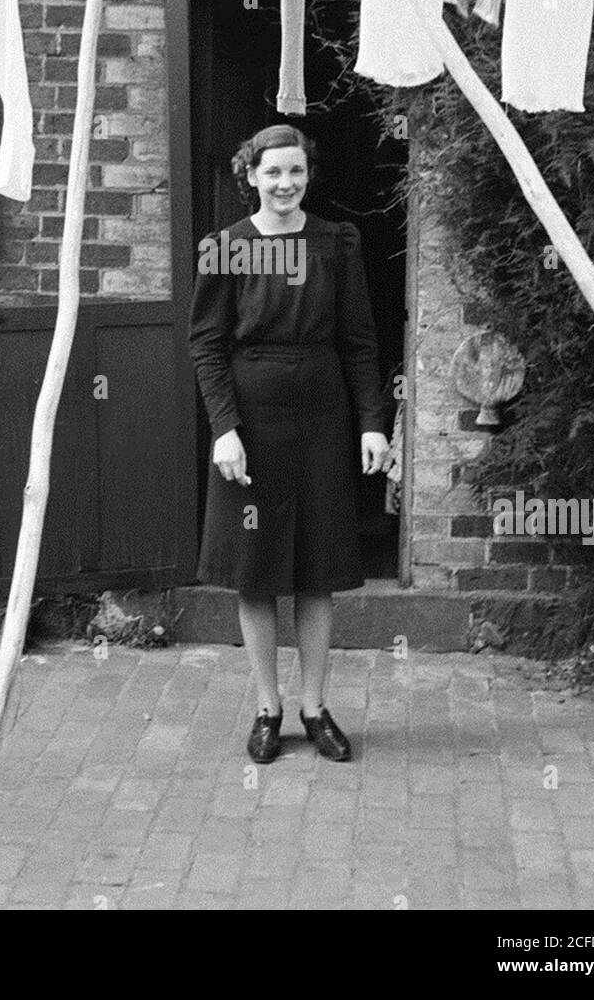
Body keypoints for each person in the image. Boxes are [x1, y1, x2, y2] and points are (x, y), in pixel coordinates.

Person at [188, 123, 389, 764]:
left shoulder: (337, 244)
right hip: (252, 422)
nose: (285, 184)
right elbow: (207, 344)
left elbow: (359, 338)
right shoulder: (227, 249)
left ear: (308, 175)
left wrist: (371, 420)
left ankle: (315, 707)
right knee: (255, 571)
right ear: (250, 175)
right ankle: (269, 708)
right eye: (272, 172)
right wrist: (224, 429)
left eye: (296, 172)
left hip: (323, 420)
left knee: (316, 569)